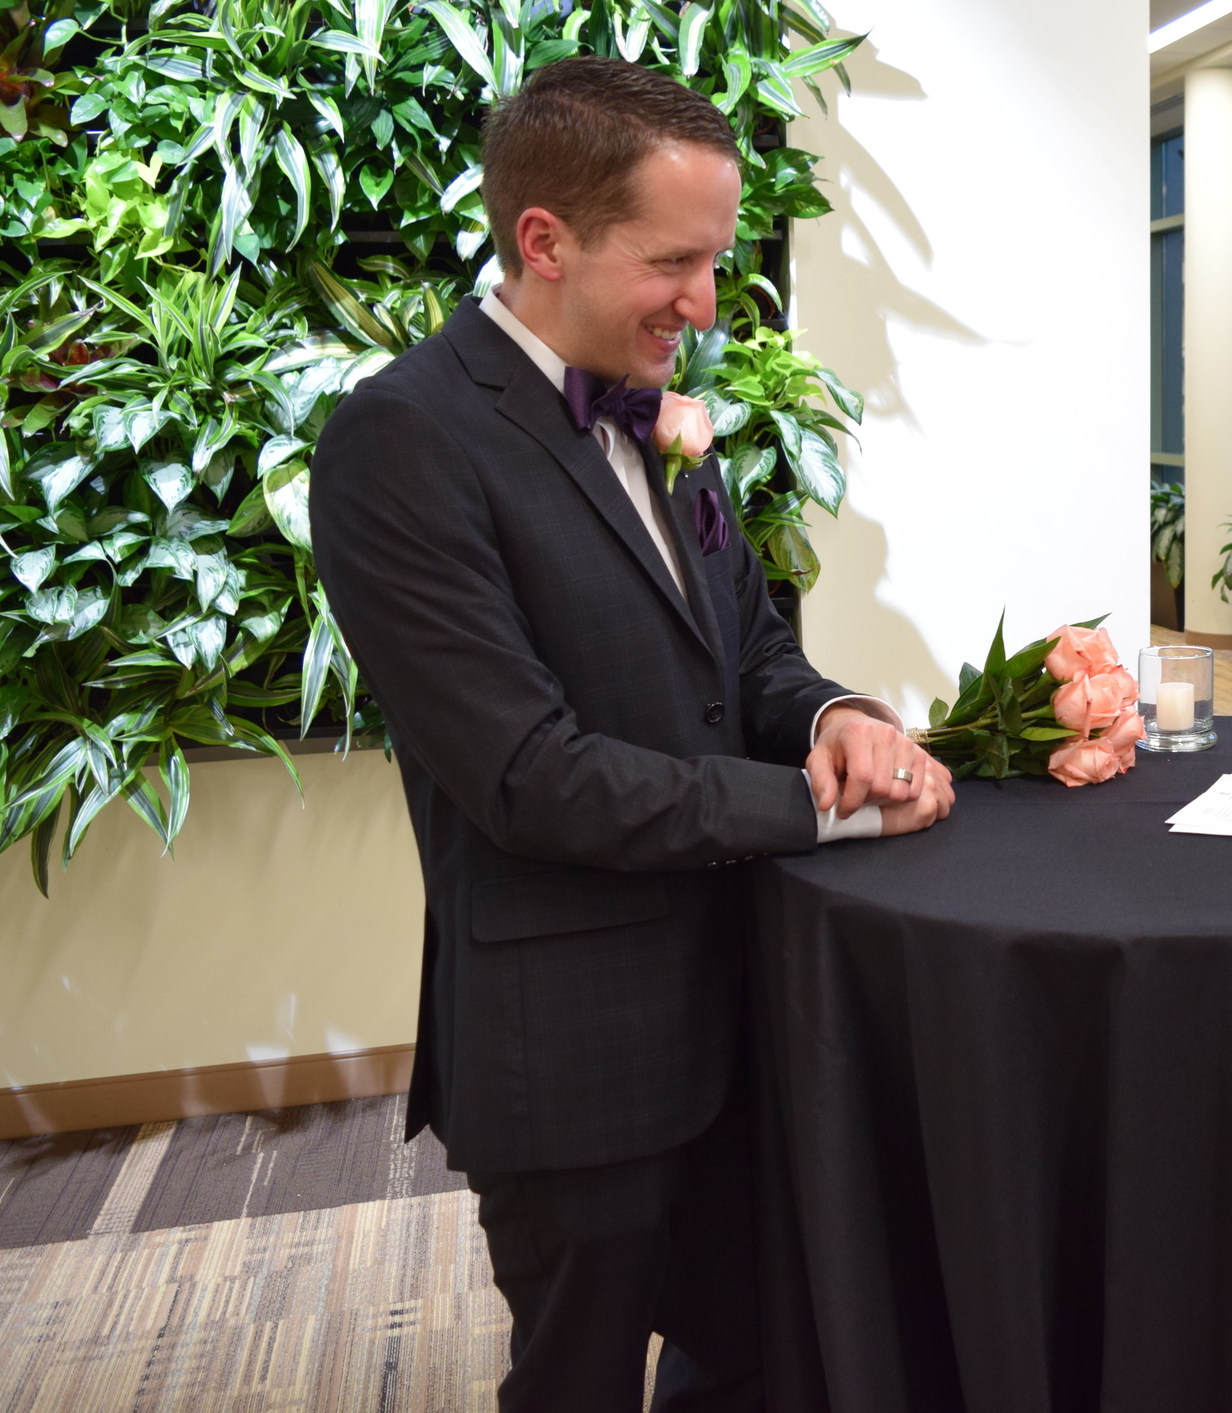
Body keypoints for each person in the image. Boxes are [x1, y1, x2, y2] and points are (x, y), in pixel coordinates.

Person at [308, 57, 953, 1413]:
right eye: (674, 262)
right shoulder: (399, 442)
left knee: (763, 1354)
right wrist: (824, 809)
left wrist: (836, 716)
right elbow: (531, 781)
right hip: (575, 1045)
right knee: (579, 1382)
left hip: (752, 1008)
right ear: (542, 241)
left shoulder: (667, 424)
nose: (704, 306)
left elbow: (751, 657)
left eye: (715, 262)